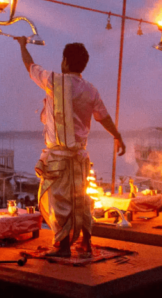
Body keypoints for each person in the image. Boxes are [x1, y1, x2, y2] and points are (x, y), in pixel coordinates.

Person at [18, 37, 125, 257]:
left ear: (65, 61)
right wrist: (117, 136)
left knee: (59, 201)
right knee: (81, 199)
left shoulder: (53, 81)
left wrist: (22, 45)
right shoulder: (91, 90)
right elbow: (103, 117)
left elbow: (30, 66)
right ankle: (86, 242)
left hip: (59, 157)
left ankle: (63, 247)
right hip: (80, 157)